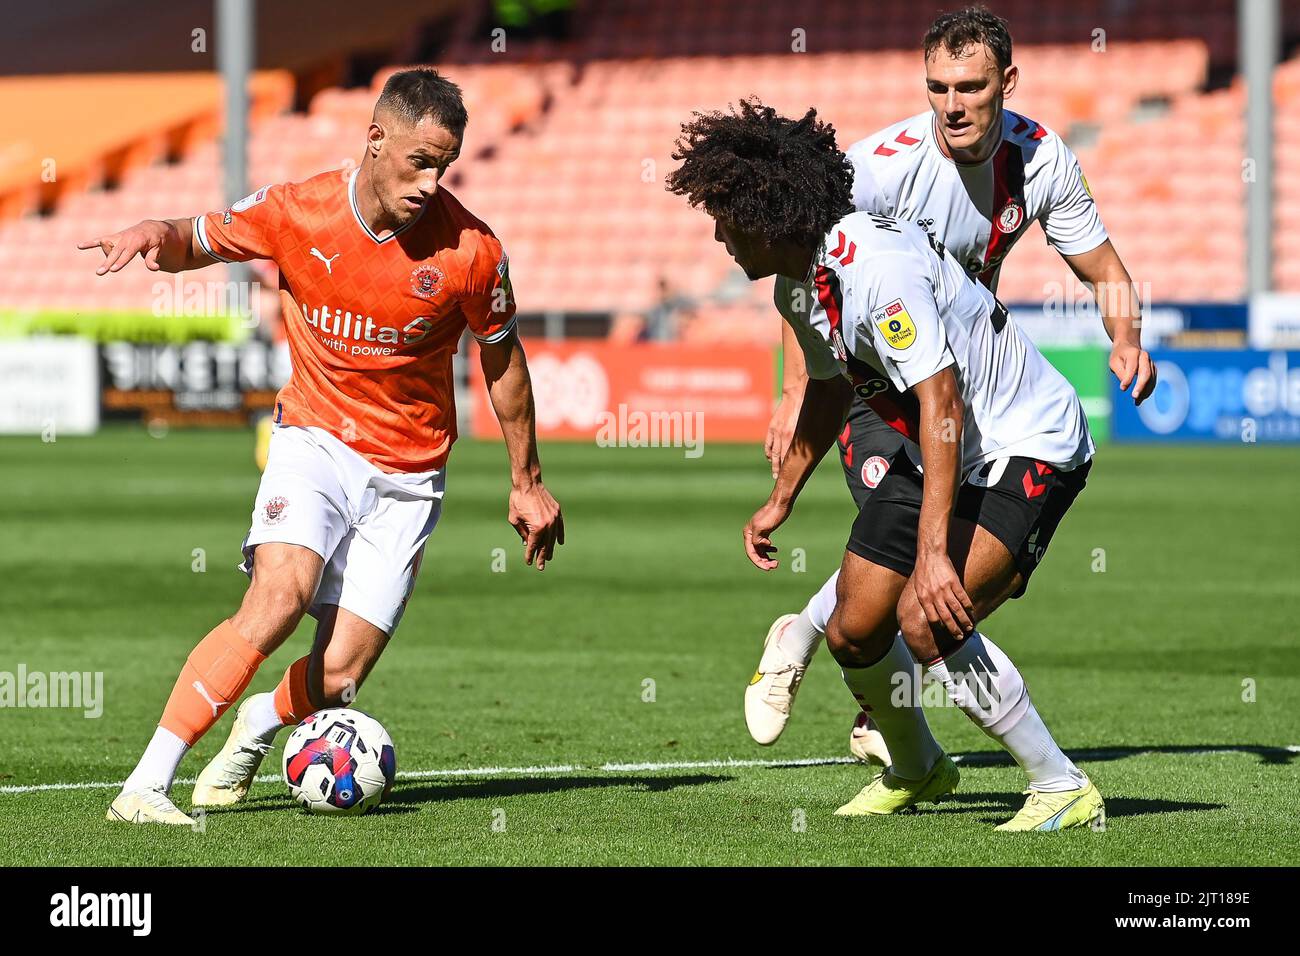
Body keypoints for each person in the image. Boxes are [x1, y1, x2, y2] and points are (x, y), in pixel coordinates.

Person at [81, 68, 564, 825]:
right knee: (278, 597)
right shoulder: (298, 210)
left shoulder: (473, 252)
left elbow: (501, 356)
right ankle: (147, 783)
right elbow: (199, 238)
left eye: (444, 165)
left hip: (409, 473)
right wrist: (154, 234)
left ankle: (256, 729)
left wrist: (526, 480)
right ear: (375, 140)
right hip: (314, 439)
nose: (430, 182)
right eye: (419, 161)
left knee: (337, 677)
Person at [667, 98, 1104, 830]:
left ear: (764, 215)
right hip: (945, 445)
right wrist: (782, 498)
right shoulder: (797, 286)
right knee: (855, 629)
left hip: (1025, 441)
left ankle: (1060, 784)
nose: (719, 235)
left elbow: (941, 403)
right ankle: (918, 768)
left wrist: (932, 554)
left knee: (928, 619)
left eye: (725, 217)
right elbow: (832, 388)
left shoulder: (874, 271)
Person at [747, 7, 1155, 760]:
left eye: (970, 86)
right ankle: (853, 665)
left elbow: (1104, 269)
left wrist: (1126, 335)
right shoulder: (877, 168)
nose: (952, 105)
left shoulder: (1040, 159)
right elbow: (802, 273)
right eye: (937, 87)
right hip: (888, 377)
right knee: (901, 536)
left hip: (972, 374)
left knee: (941, 583)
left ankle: (836, 657)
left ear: (1008, 82)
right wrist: (794, 389)